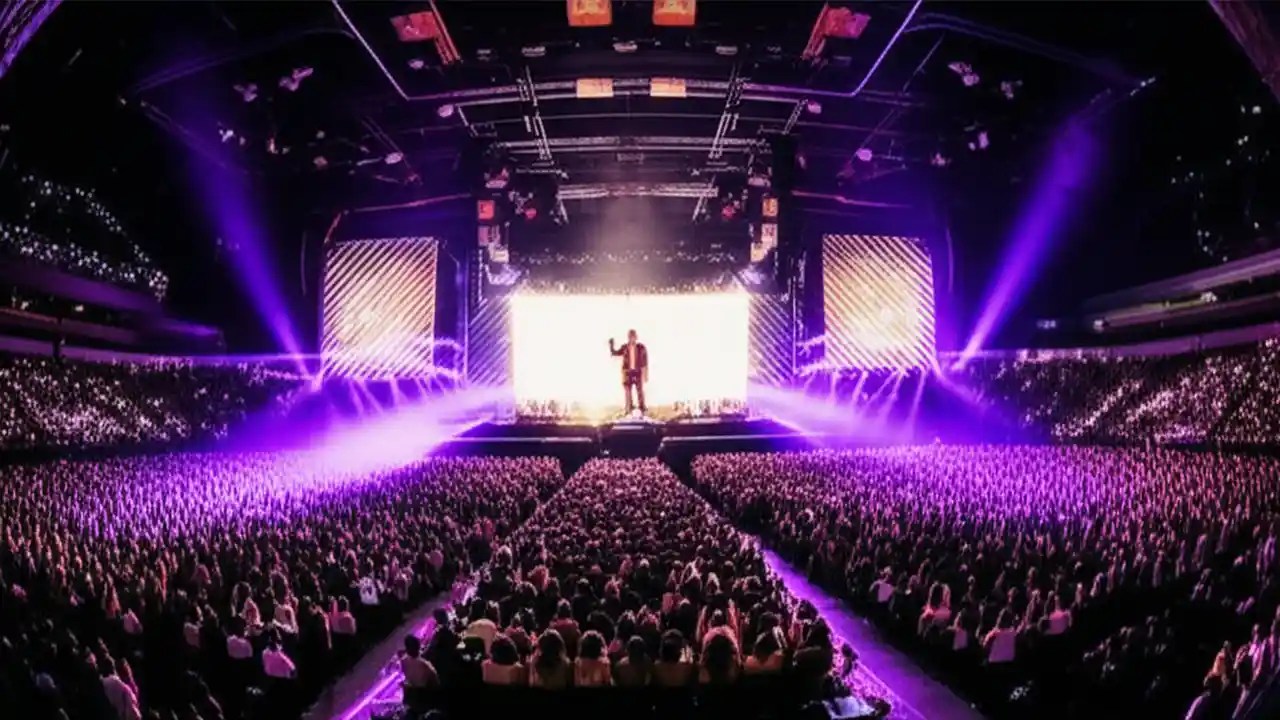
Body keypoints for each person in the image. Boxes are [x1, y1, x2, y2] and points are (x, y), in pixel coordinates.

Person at [609, 329, 648, 416]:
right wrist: (611, 345)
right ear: (628, 338)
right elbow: (615, 353)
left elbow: (645, 361)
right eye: (630, 337)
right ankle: (629, 409)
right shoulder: (624, 347)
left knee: (640, 391)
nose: (632, 339)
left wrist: (645, 374)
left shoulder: (641, 347)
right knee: (628, 392)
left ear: (636, 337)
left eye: (633, 337)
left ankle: (642, 409)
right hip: (627, 373)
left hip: (637, 372)